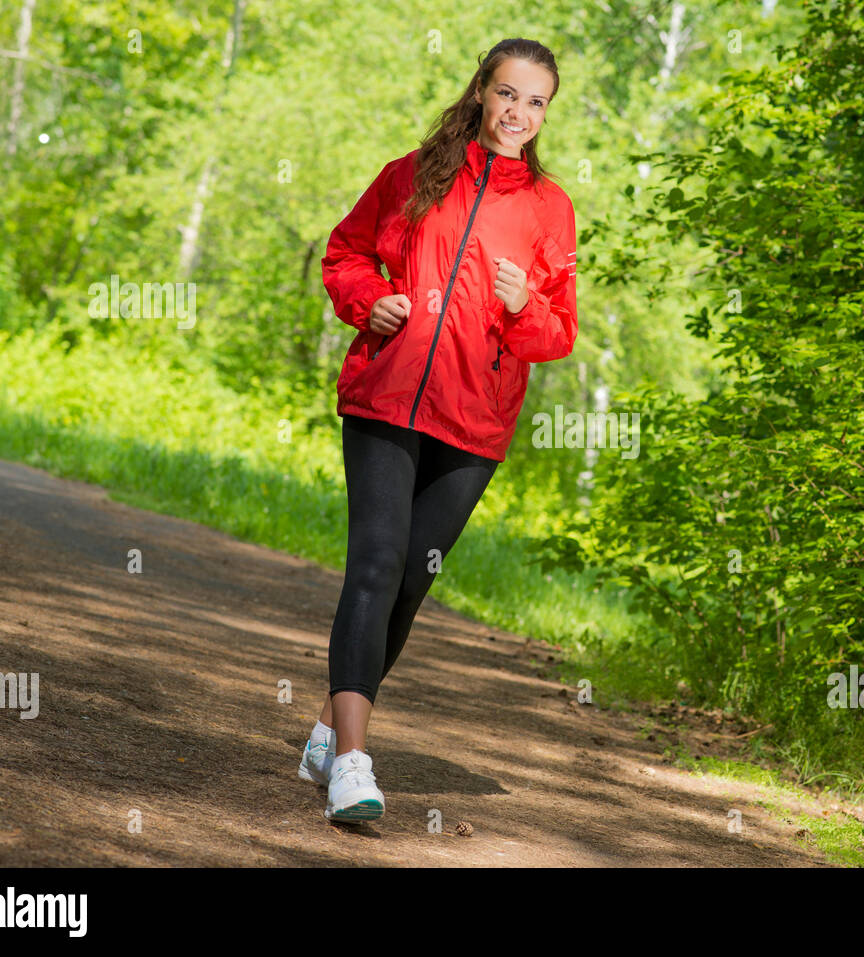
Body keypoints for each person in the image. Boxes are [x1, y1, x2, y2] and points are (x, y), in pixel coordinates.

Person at [299, 37, 579, 823]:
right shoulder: (412, 174)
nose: (520, 113)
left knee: (411, 586)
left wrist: (527, 305)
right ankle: (353, 763)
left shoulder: (549, 208)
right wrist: (370, 301)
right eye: (508, 94)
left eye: (537, 102)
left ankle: (328, 726)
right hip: (386, 398)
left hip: (473, 422)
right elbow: (347, 252)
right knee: (376, 564)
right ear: (481, 91)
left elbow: (559, 334)